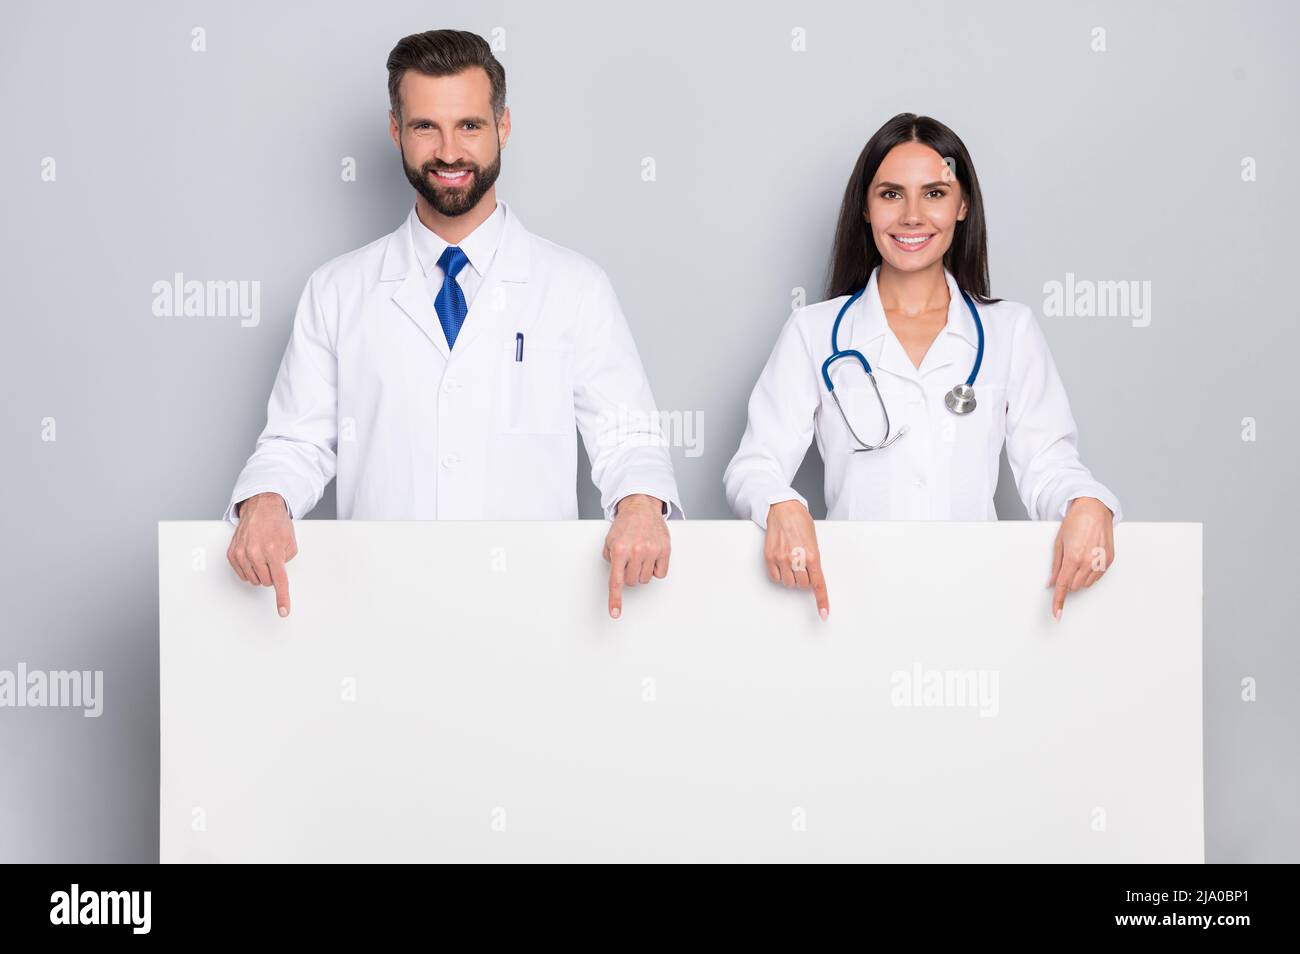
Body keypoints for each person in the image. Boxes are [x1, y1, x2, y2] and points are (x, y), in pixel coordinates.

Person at [225, 30, 682, 620]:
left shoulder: (574, 287)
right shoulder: (337, 290)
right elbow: (296, 441)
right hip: (379, 606)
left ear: (503, 127)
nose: (448, 151)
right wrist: (266, 500)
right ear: (396, 131)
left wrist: (641, 503)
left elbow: (627, 438)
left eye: (469, 126)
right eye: (424, 127)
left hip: (534, 607)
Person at [723, 113, 1120, 622]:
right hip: (850, 601)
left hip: (977, 598)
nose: (912, 215)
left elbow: (1048, 465)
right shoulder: (814, 332)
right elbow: (753, 466)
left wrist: (1086, 501)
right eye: (891, 194)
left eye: (934, 193)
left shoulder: (1010, 331)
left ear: (962, 206)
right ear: (865, 209)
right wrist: (782, 505)